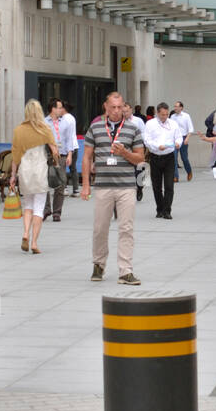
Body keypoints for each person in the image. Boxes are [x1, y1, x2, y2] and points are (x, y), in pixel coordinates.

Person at [81, 92, 145, 285]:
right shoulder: (96, 127)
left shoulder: (132, 129)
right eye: (113, 107)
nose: (117, 111)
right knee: (100, 228)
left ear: (124, 107)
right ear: (106, 107)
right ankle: (98, 264)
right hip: (103, 186)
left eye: (120, 107)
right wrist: (85, 185)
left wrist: (124, 152)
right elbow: (86, 157)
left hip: (126, 186)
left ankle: (125, 270)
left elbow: (140, 158)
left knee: (126, 228)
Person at [8, 99, 59, 254]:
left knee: (28, 205)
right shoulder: (45, 128)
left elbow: (15, 155)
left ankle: (25, 233)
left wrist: (12, 175)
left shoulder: (19, 130)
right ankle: (35, 242)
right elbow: (55, 151)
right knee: (39, 207)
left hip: (25, 170)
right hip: (41, 170)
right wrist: (56, 162)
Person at [144, 102, 184, 219]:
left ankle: (167, 210)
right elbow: (147, 140)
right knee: (156, 186)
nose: (164, 117)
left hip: (169, 157)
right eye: (162, 115)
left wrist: (178, 143)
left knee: (169, 185)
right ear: (157, 113)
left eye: (166, 114)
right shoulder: (150, 124)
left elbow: (179, 136)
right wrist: (157, 146)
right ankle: (159, 208)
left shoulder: (173, 123)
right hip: (155, 156)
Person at [42, 98, 77, 222]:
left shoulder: (65, 122)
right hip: (47, 155)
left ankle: (57, 212)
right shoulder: (44, 122)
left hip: (61, 155)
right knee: (44, 183)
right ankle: (46, 209)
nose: (61, 110)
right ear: (52, 108)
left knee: (60, 183)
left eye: (62, 107)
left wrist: (70, 154)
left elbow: (69, 139)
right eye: (59, 107)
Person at [171, 102, 194, 183]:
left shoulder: (186, 116)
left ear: (181, 108)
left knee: (184, 158)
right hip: (175, 139)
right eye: (174, 106)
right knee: (174, 157)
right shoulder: (172, 116)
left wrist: (187, 138)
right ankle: (175, 176)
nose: (175, 108)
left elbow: (190, 128)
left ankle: (189, 171)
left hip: (184, 137)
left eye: (177, 106)